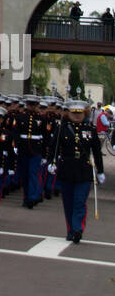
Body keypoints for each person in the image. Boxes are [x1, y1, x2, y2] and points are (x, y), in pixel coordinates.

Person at [56, 100, 105, 243]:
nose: (77, 116)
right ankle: (70, 229)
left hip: (84, 170)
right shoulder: (62, 129)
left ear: (85, 113)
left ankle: (77, 229)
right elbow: (54, 147)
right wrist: (51, 162)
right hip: (66, 169)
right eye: (73, 113)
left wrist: (100, 171)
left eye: (80, 113)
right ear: (69, 113)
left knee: (79, 201)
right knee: (68, 202)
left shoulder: (90, 130)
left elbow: (96, 152)